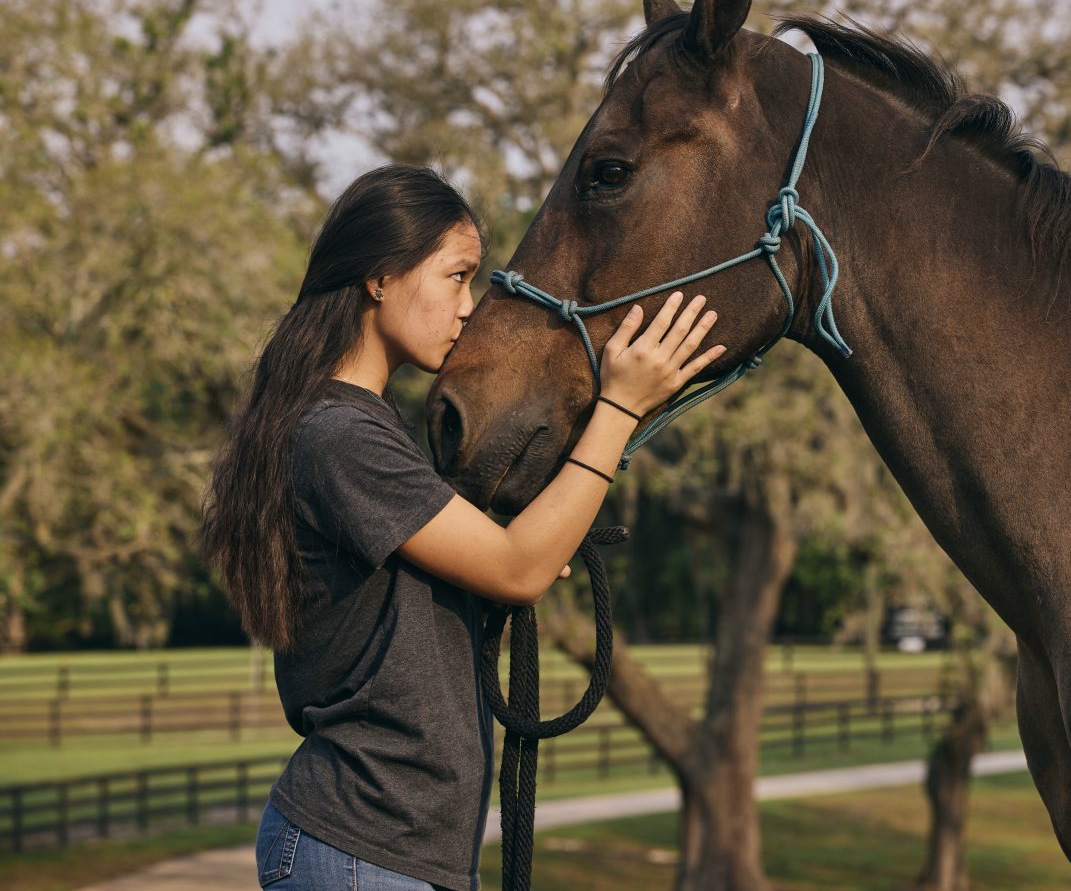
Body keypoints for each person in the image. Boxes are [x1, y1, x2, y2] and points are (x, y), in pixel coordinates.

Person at [199, 162, 725, 891]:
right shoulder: (339, 434)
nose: (469, 306)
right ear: (380, 277)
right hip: (364, 847)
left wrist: (496, 581)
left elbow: (470, 589)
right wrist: (621, 408)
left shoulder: (354, 428)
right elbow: (519, 565)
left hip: (393, 851)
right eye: (456, 276)